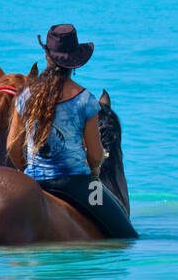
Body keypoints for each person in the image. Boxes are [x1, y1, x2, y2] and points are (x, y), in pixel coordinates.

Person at [7, 24, 136, 238]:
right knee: (126, 236)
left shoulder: (26, 96)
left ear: (46, 56)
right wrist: (94, 174)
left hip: (32, 179)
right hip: (76, 183)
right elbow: (95, 155)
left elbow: (12, 146)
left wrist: (28, 171)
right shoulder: (85, 100)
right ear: (75, 62)